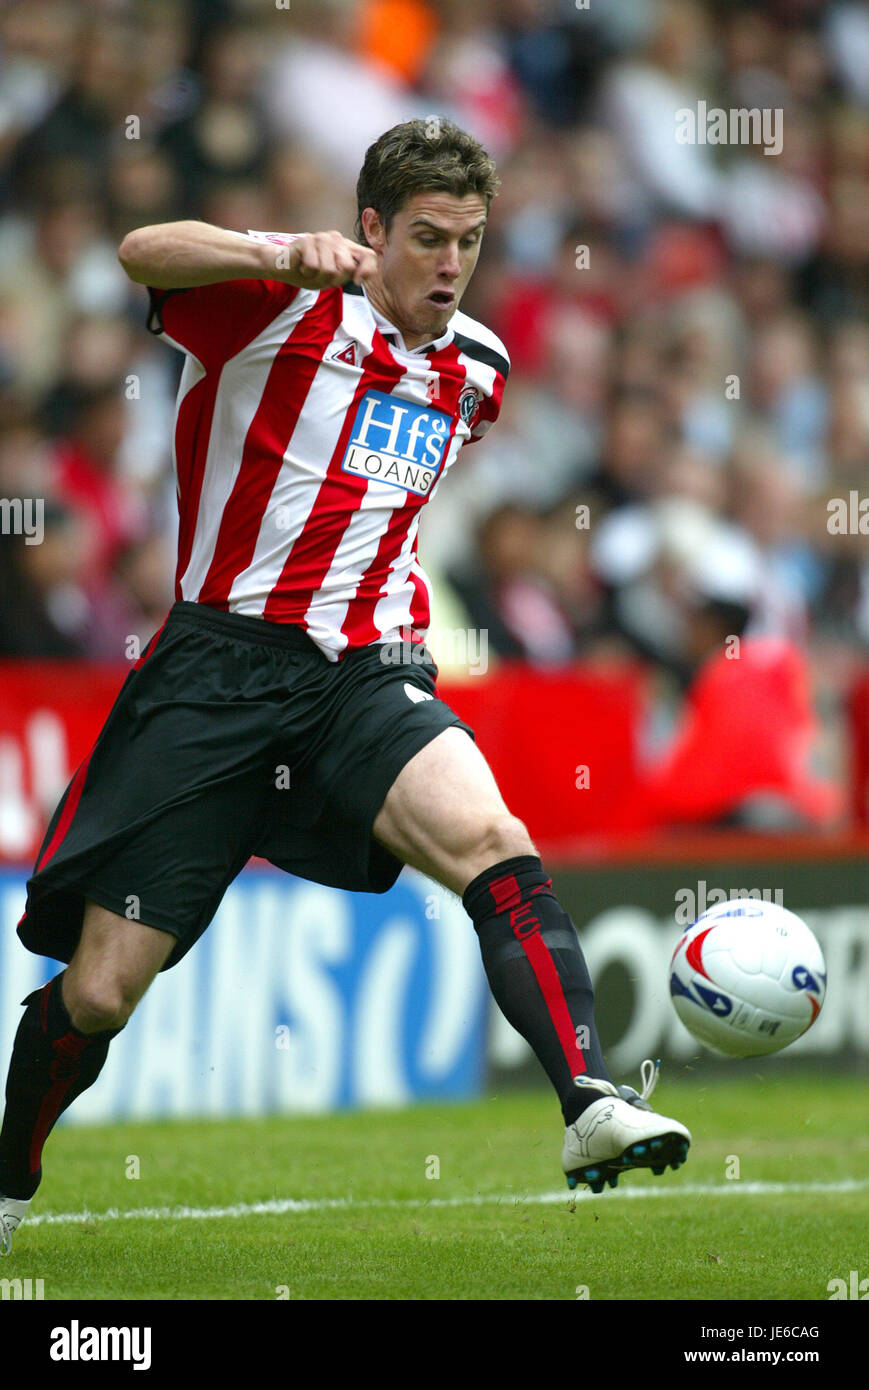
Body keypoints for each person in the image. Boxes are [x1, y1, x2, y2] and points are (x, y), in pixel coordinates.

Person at [0, 119, 688, 1254]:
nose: (449, 264)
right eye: (425, 238)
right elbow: (141, 250)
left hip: (367, 673)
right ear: (370, 229)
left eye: (468, 240)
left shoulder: (478, 369)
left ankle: (587, 1103)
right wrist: (273, 250)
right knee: (101, 994)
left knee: (494, 838)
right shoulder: (274, 308)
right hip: (217, 672)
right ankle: (10, 1174)